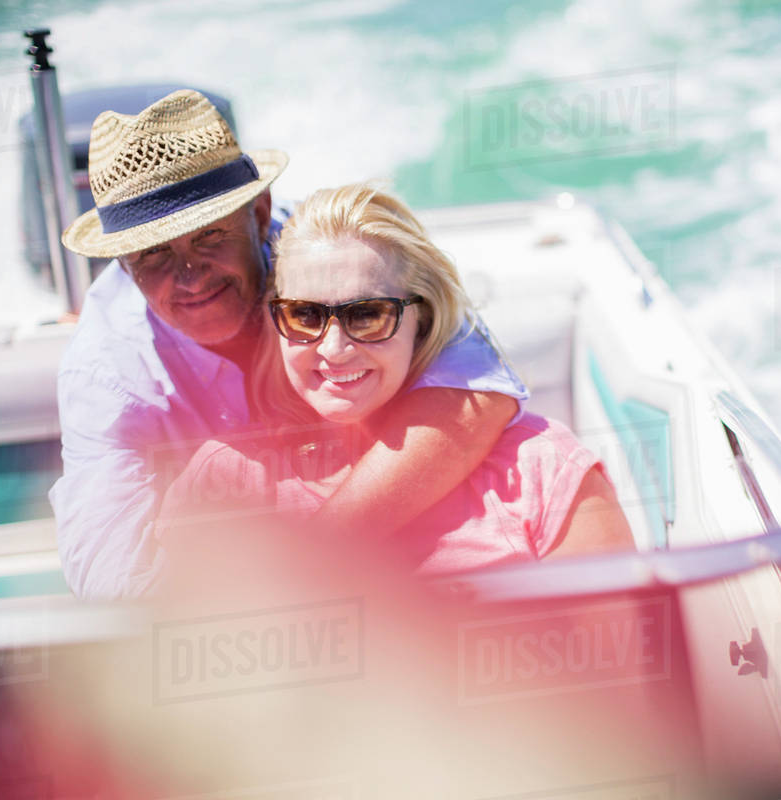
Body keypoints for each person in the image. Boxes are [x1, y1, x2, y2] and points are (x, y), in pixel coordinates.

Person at [52, 89, 527, 598]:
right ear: (121, 262)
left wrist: (309, 564)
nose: (189, 277)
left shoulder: (337, 245)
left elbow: (474, 387)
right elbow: (110, 578)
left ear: (259, 213)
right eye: (152, 254)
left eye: (209, 237)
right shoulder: (105, 370)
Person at [158, 183, 634, 573]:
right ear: (276, 320)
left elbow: (620, 672)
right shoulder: (222, 481)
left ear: (421, 321)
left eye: (367, 315)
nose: (333, 348)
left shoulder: (545, 469)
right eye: (304, 316)